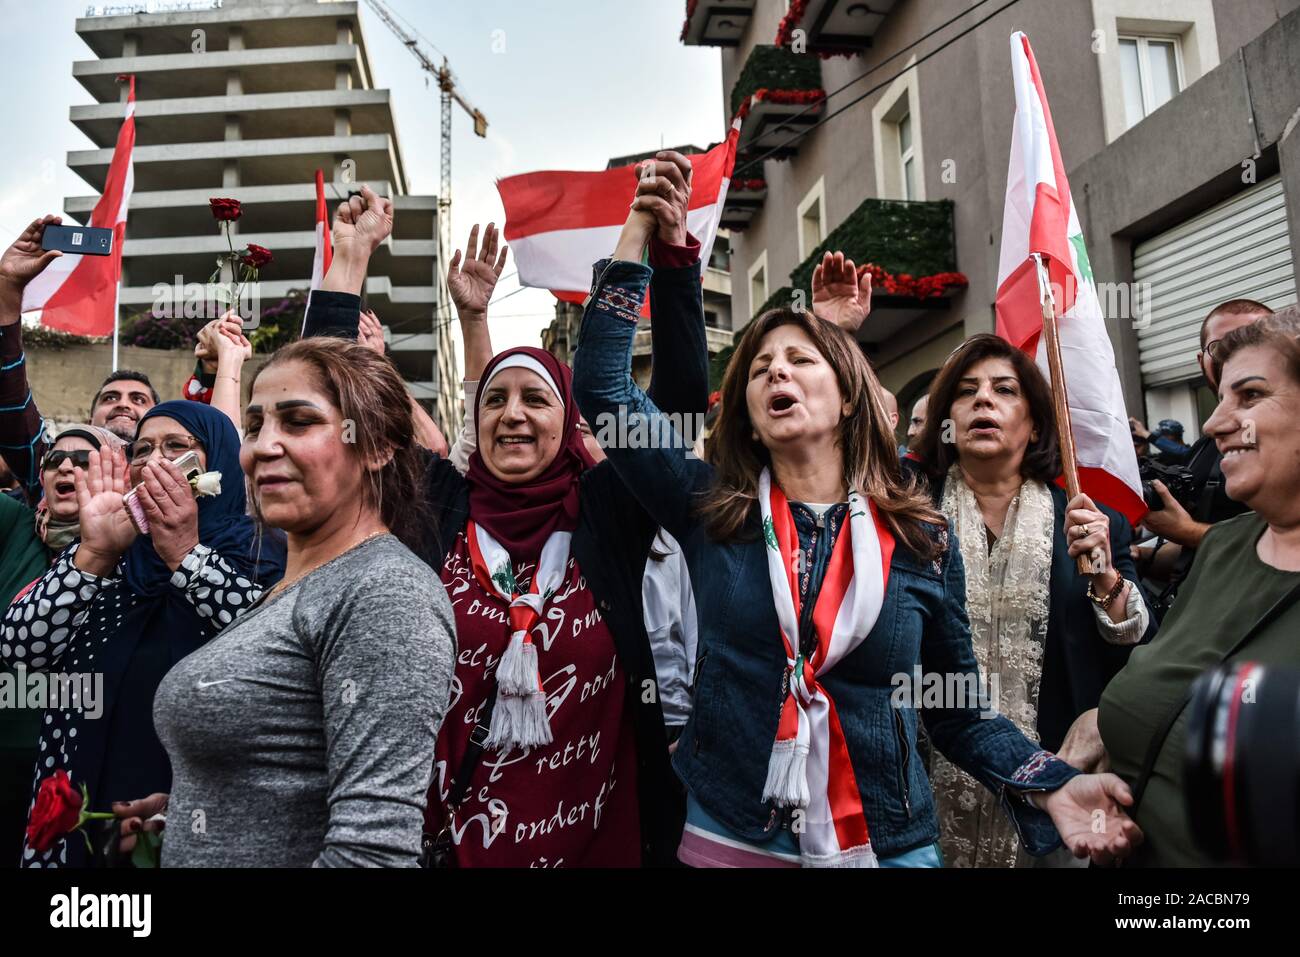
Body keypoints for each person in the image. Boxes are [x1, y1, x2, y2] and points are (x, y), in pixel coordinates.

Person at [573, 208, 1142, 868]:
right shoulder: (711, 508)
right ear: (751, 419)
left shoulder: (922, 536)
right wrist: (640, 229)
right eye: (760, 367)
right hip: (730, 834)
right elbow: (603, 386)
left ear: (848, 397)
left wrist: (1051, 784)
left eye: (798, 359)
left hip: (885, 843)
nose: (776, 372)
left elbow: (956, 712)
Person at [298, 172, 707, 867]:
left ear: (568, 420)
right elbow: (326, 398)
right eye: (495, 400)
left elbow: (677, 402)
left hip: (604, 846)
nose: (512, 413)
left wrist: (665, 258)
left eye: (535, 399)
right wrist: (352, 254)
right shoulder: (435, 504)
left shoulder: (612, 509)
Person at [116, 338, 457, 867]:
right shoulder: (289, 590)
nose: (262, 447)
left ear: (376, 445)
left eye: (298, 421)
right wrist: (187, 814)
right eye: (254, 427)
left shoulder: (383, 593)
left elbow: (370, 855)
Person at [906, 333, 1153, 867]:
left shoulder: (1091, 521)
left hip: (1059, 784)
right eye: (967, 391)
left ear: (1036, 423)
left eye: (1004, 390)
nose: (983, 401)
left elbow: (1141, 652)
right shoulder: (904, 514)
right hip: (920, 785)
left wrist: (1105, 577)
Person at [1, 401, 284, 866]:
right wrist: (94, 550)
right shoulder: (111, 559)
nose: (155, 461)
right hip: (83, 815)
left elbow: (268, 647)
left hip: (195, 825)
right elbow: (20, 651)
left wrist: (185, 555)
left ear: (219, 459)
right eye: (142, 449)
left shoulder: (261, 551)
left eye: (177, 447)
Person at [1092, 307, 1300, 866]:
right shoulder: (1226, 546)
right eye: (1222, 397)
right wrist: (1103, 726)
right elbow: (1167, 677)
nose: (1213, 423)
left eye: (1250, 396)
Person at [1, 218, 164, 505]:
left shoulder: (170, 488)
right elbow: (10, 401)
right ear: (91, 419)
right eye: (110, 398)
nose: (123, 404)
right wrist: (9, 288)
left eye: (138, 399)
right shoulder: (52, 466)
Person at [1137, 299, 1274, 607]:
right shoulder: (1205, 448)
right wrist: (1136, 555)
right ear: (1202, 362)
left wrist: (1187, 530)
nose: (1237, 356)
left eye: (1255, 340)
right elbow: (1196, 554)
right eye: (1222, 348)